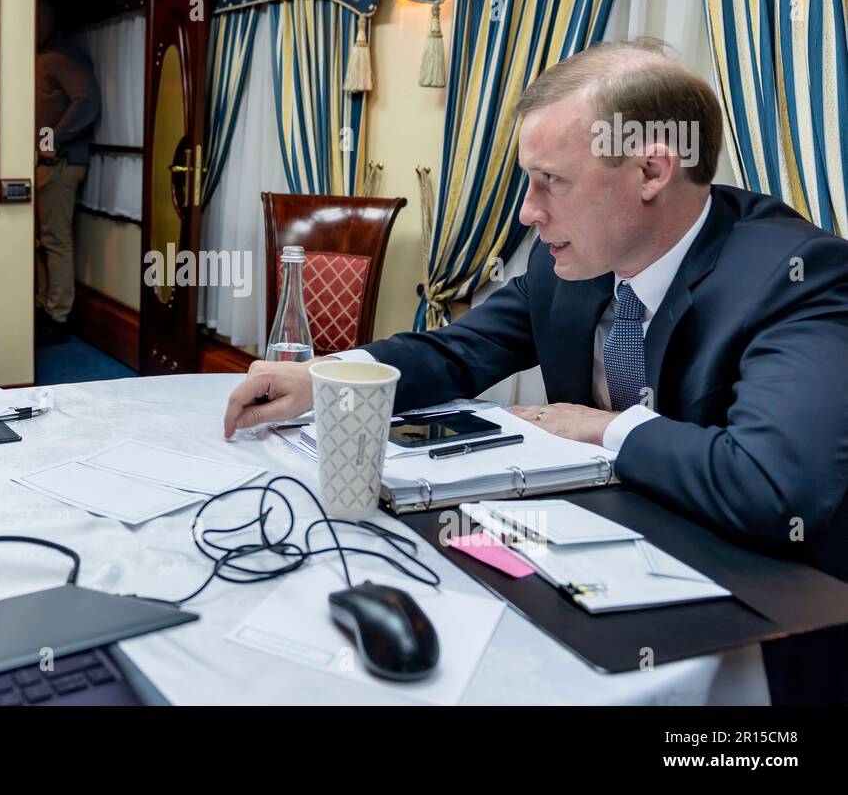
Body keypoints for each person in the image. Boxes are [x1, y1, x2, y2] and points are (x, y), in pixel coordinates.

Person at [222, 40, 848, 703]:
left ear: (651, 171)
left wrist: (609, 429)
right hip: (587, 568)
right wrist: (329, 378)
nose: (528, 211)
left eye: (552, 181)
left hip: (763, 628)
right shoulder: (567, 263)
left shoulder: (797, 277)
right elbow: (459, 352)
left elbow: (776, 488)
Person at [34, 0, 101, 345]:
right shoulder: (44, 57)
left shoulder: (62, 55)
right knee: (43, 241)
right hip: (47, 163)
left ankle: (58, 317)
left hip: (59, 163)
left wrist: (52, 140)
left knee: (55, 240)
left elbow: (87, 100)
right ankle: (45, 307)